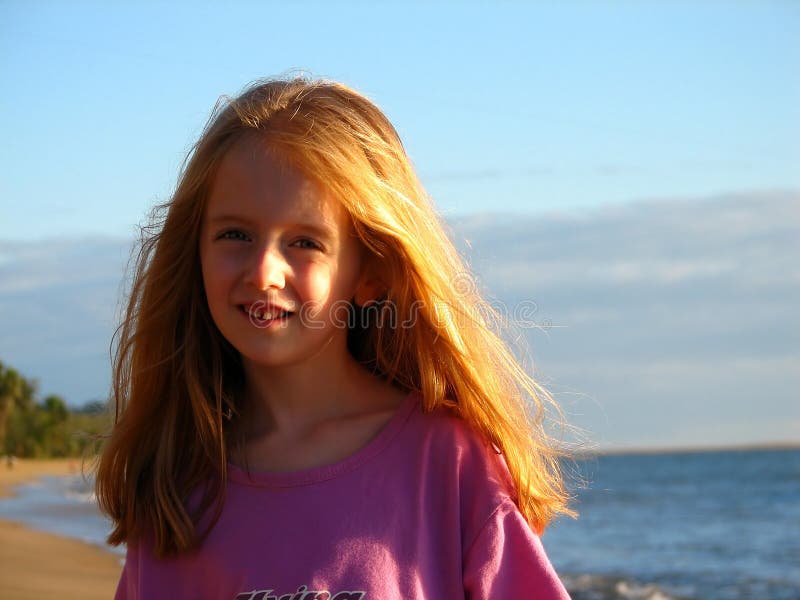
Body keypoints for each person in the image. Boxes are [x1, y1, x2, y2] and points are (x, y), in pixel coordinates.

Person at [95, 76, 574, 599]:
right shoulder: (177, 492)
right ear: (196, 251)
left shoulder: (446, 466)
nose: (263, 271)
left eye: (305, 242)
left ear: (371, 275)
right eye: (235, 234)